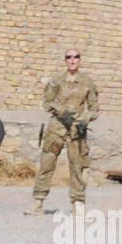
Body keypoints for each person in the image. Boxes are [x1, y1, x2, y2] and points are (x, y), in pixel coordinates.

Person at [25, 49, 99, 214]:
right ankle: (38, 202)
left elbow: (94, 108)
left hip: (77, 130)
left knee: (77, 166)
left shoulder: (87, 82)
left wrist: (84, 119)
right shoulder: (56, 81)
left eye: (76, 57)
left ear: (80, 60)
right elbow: (47, 102)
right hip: (57, 127)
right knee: (46, 164)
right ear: (65, 61)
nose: (72, 60)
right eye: (69, 57)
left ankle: (78, 205)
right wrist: (62, 113)